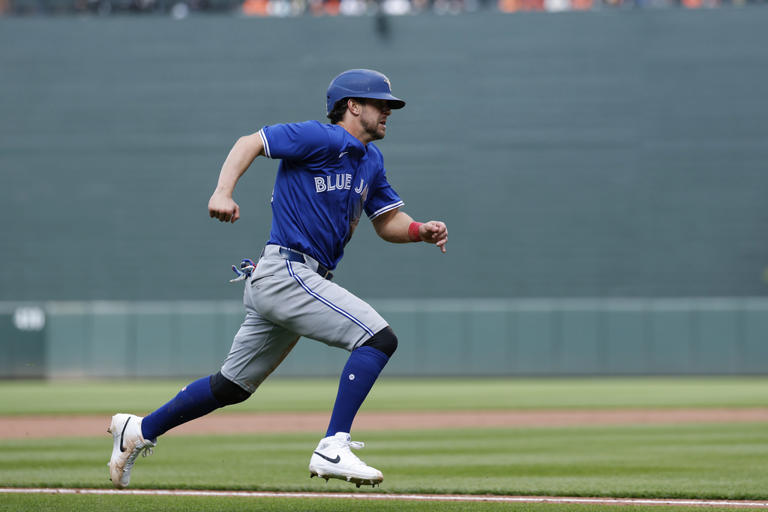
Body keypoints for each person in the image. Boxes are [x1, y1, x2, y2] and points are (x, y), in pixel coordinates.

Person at [107, 68, 448, 490]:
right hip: (287, 271)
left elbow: (387, 220)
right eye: (380, 104)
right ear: (352, 106)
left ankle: (138, 430)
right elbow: (250, 142)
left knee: (231, 387)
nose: (388, 112)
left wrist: (419, 231)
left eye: (390, 105)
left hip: (292, 279)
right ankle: (332, 444)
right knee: (378, 338)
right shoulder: (322, 138)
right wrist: (222, 191)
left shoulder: (370, 161)